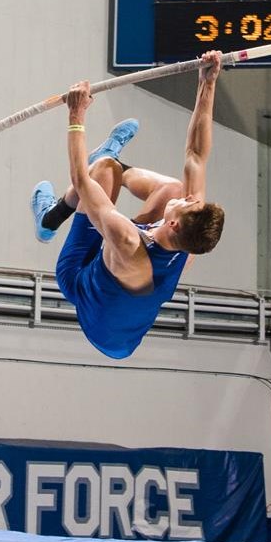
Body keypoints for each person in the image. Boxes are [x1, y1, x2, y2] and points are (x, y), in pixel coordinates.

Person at [29, 50, 227, 359]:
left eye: (189, 204)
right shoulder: (185, 236)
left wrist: (76, 115)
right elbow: (196, 155)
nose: (192, 198)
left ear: (174, 223)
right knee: (172, 187)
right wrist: (208, 83)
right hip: (126, 291)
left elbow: (80, 180)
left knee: (99, 170)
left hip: (86, 289)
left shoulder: (127, 242)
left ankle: (49, 219)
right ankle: (115, 163)